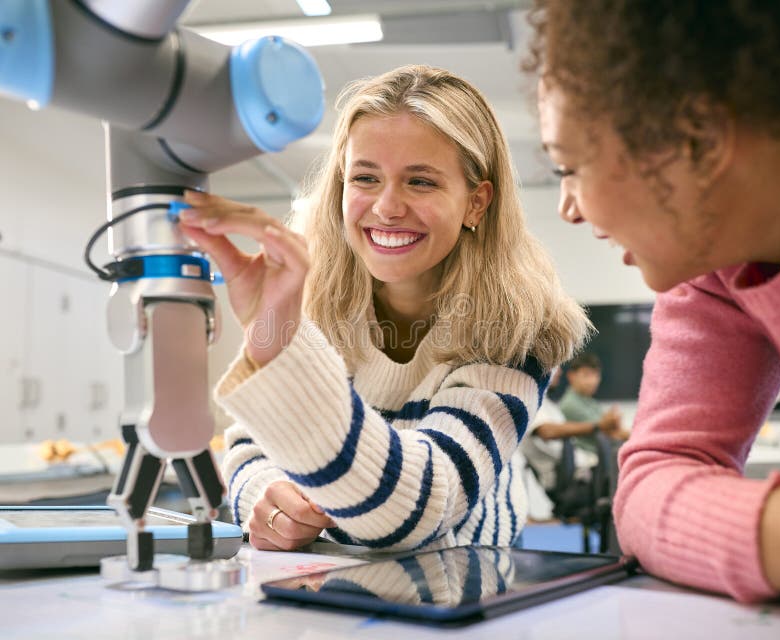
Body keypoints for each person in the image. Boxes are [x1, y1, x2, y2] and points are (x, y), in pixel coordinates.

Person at [178, 65, 590, 552]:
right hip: (334, 586)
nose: (387, 207)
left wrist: (283, 341)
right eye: (366, 178)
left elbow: (412, 510)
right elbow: (251, 442)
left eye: (421, 182)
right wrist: (267, 499)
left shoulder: (516, 329)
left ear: (476, 203)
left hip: (467, 588)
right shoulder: (311, 296)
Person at [527, 0, 780, 601]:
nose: (568, 209)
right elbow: (647, 490)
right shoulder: (713, 269)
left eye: (570, 167)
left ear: (698, 139)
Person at [557, 353, 627, 453]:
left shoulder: (591, 402)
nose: (593, 381)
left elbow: (612, 430)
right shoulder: (570, 405)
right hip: (592, 462)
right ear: (571, 376)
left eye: (596, 375)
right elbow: (609, 431)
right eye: (587, 375)